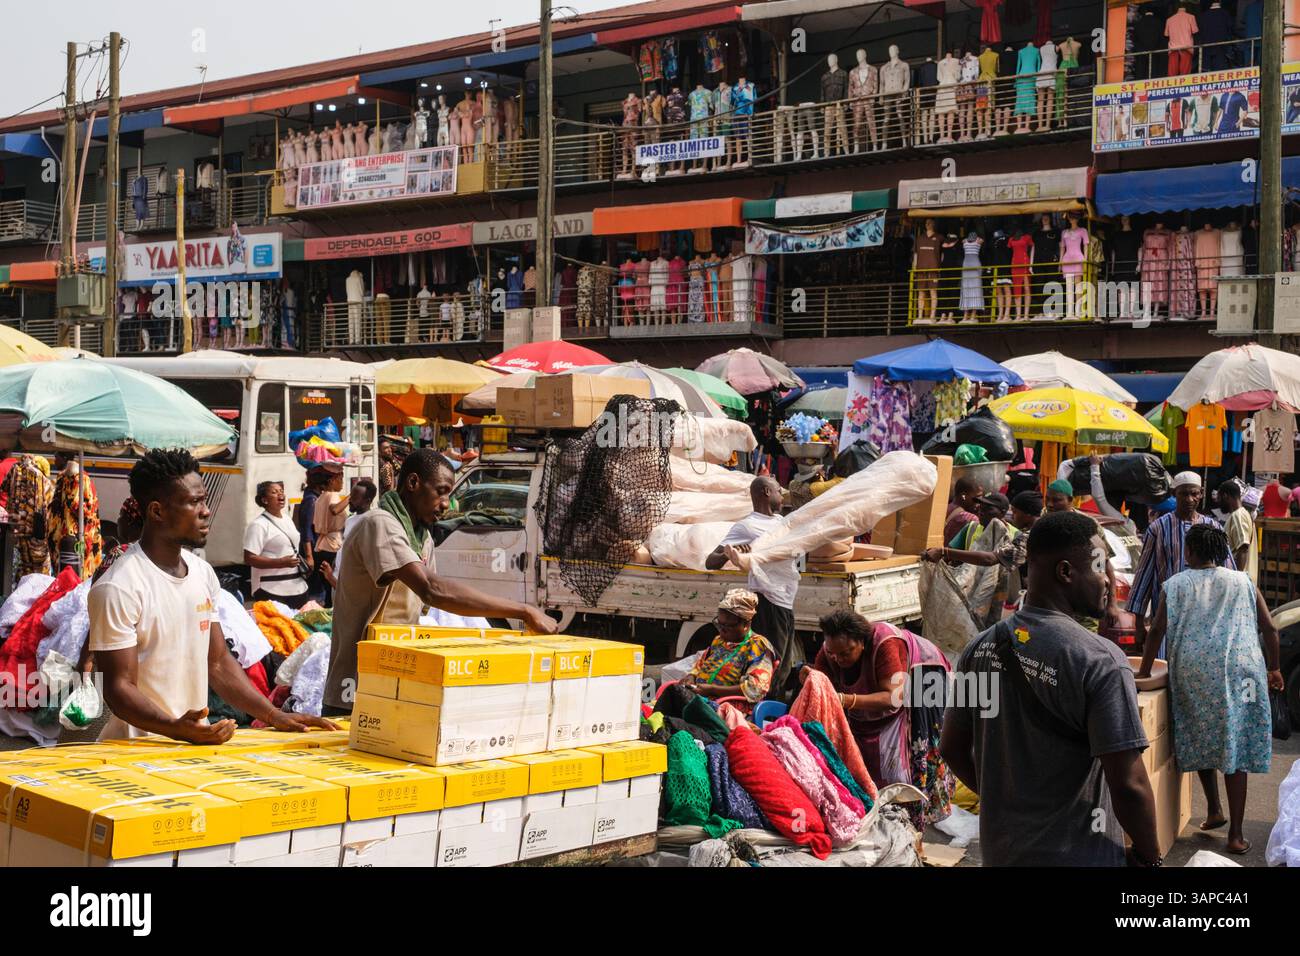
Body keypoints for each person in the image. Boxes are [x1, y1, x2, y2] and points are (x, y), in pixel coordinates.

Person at [940, 510, 1161, 866]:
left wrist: (1005, 800)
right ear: (1065, 572)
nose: (1108, 580)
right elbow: (1130, 786)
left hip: (1003, 855)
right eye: (1100, 566)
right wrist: (1151, 859)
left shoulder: (977, 649)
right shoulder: (1101, 660)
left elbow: (951, 748)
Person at [87, 449, 336, 742]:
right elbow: (118, 688)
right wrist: (174, 728)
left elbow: (217, 662)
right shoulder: (118, 586)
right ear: (157, 511)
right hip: (136, 751)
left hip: (191, 747)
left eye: (204, 500)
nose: (206, 510)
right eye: (194, 502)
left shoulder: (202, 573)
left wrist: (273, 715)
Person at [322, 449, 558, 717]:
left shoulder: (422, 538)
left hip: (392, 680)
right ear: (413, 484)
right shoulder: (379, 524)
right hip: (354, 688)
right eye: (441, 491)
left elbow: (425, 607)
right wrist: (523, 610)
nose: (447, 504)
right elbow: (432, 590)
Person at [1137, 524, 1283, 855]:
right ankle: (1235, 833)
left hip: (1194, 672)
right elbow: (1270, 628)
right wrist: (1274, 669)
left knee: (1201, 732)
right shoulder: (1243, 580)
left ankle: (1215, 808)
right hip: (1241, 672)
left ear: (1189, 552)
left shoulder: (1174, 585)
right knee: (1236, 747)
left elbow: (1157, 629)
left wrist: (1143, 672)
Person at [799, 608, 954, 822]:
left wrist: (846, 699)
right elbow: (822, 685)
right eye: (834, 653)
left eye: (846, 653)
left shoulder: (886, 644)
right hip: (882, 693)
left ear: (862, 642)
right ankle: (877, 810)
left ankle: (915, 820)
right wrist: (809, 678)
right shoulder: (830, 651)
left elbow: (893, 698)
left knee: (913, 755)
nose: (838, 659)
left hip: (922, 682)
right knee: (866, 750)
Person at [705, 476, 801, 695]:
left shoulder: (781, 522)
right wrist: (732, 551)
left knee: (784, 667)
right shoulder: (747, 526)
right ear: (766, 492)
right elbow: (710, 561)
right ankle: (763, 714)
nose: (781, 495)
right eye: (778, 490)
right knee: (770, 666)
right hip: (768, 602)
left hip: (784, 603)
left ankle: (772, 712)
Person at [1127, 471, 1233, 656]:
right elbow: (1144, 575)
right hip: (1166, 617)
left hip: (1205, 616)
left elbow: (1228, 572)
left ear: (1201, 493)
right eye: (1184, 494)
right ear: (1174, 493)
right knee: (1164, 670)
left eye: (1194, 494)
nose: (1189, 499)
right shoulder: (1158, 528)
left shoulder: (1213, 528)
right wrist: (1138, 624)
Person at [923, 489, 1044, 608]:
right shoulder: (971, 527)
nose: (981, 512)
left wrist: (943, 551)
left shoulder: (1019, 536)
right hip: (968, 596)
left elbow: (990, 559)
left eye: (988, 509)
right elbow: (950, 561)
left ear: (1002, 512)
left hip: (1003, 599)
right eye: (980, 507)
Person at [680, 589, 776, 705]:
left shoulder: (757, 645)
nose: (722, 630)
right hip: (701, 699)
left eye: (728, 626)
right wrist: (691, 676)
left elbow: (755, 689)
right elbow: (700, 666)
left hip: (729, 705)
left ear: (746, 624)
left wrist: (713, 690)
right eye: (719, 624)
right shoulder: (718, 641)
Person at [242, 480, 309, 608]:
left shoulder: (287, 518)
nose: (280, 495)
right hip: (271, 589)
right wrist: (280, 562)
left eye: (281, 491)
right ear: (265, 500)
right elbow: (249, 558)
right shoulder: (259, 525)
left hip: (297, 587)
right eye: (274, 492)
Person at [48, 451, 102, 577]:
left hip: (69, 535)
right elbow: (67, 506)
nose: (54, 460)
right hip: (68, 536)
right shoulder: (69, 477)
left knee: (71, 572)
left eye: (57, 456)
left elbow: (81, 509)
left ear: (65, 457)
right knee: (70, 574)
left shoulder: (75, 478)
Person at [3, 454, 54, 577]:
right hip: (34, 531)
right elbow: (49, 505)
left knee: (20, 565)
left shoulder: (14, 469)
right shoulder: (43, 479)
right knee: (38, 567)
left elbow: (4, 488)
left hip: (15, 527)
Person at [312, 465, 349, 605]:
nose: (342, 482)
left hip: (321, 545)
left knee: (327, 590)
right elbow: (335, 509)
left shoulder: (321, 496)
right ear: (333, 480)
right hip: (333, 545)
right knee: (333, 589)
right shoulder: (333, 496)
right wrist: (352, 496)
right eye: (340, 479)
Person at [1217, 479, 1256, 583]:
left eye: (1219, 498)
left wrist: (1238, 580)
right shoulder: (1242, 514)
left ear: (1225, 496)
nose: (1218, 502)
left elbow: (1243, 548)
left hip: (1237, 581)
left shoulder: (1238, 516)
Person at [944, 475, 985, 544]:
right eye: (976, 498)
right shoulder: (970, 519)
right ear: (963, 496)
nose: (979, 503)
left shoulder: (946, 508)